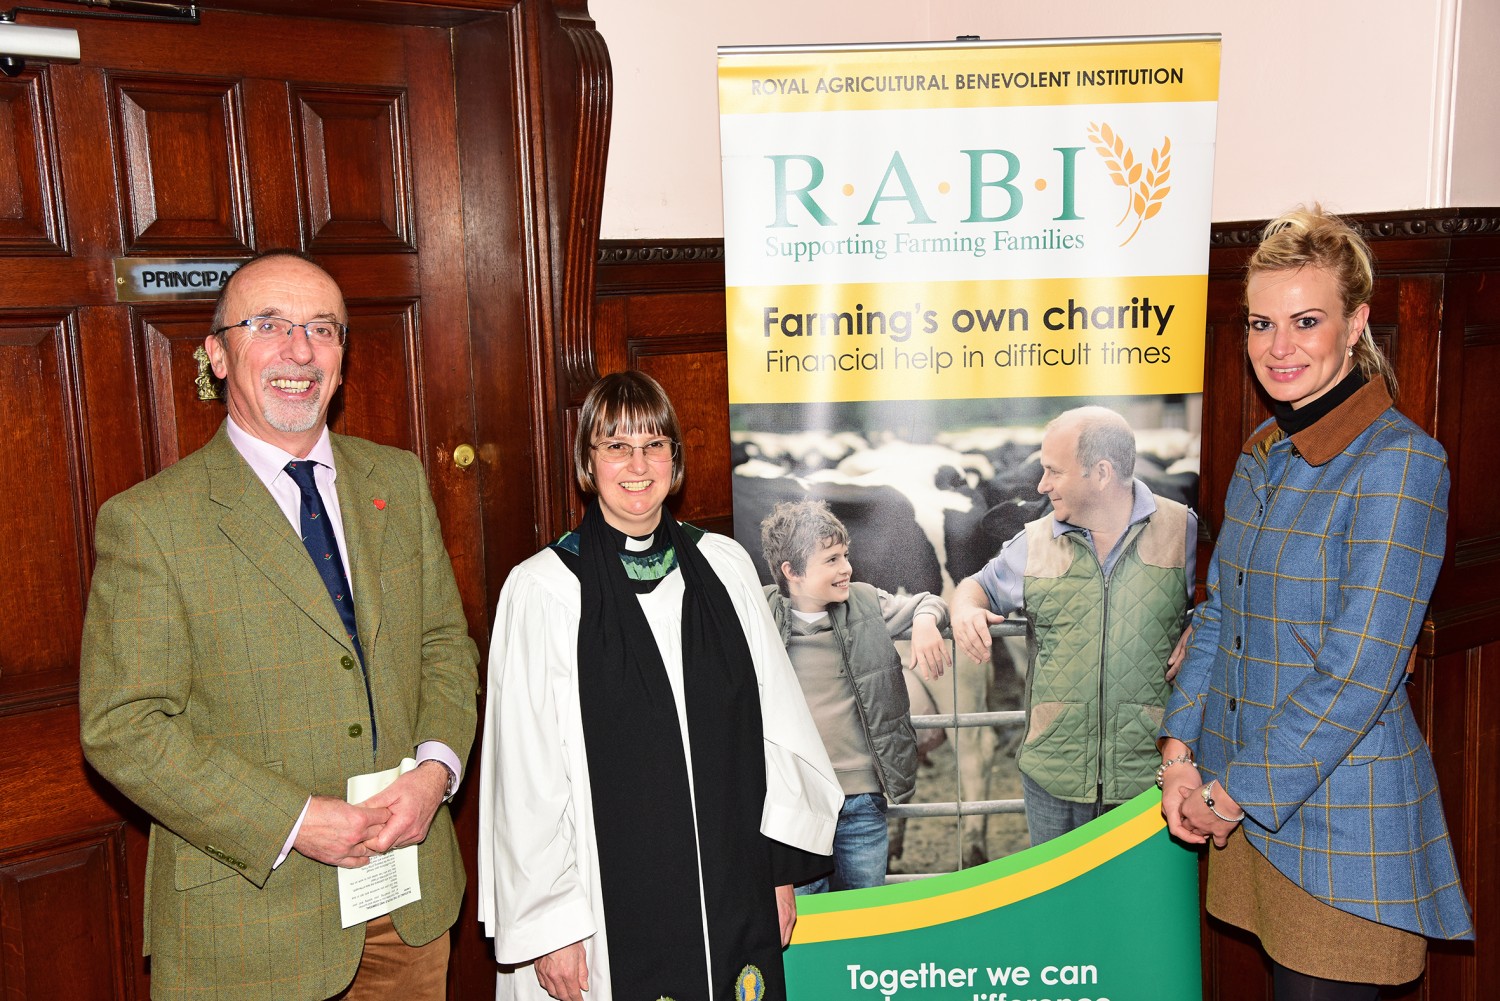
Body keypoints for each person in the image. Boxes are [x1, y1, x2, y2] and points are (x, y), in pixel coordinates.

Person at [79, 251, 480, 1000]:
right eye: (269, 325)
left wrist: (435, 773)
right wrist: (294, 819)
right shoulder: (150, 522)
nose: (299, 350)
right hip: (252, 922)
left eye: (322, 329)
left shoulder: (395, 479)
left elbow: (442, 649)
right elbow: (123, 726)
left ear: (341, 358)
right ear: (218, 354)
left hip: (408, 899)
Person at [1158, 207, 1473, 1000]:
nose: (1279, 346)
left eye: (1306, 321)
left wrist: (1229, 793)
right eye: (1262, 323)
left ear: (1357, 321)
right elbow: (1220, 613)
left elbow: (1359, 672)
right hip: (1247, 797)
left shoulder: (1402, 464)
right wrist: (1178, 755)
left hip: (1341, 826)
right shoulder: (1265, 450)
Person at [477, 371, 840, 1001]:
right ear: (587, 463)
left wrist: (776, 872)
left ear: (675, 459)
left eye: (654, 444)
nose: (637, 464)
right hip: (598, 912)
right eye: (616, 446)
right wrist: (550, 928)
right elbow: (526, 777)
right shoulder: (544, 590)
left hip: (734, 885)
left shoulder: (723, 568)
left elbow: (776, 728)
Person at [950, 405, 1196, 847]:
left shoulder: (1184, 530)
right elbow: (975, 585)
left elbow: (1230, 606)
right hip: (1053, 776)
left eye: (1052, 471)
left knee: (1133, 913)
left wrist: (1201, 624)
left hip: (1148, 779)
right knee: (1063, 912)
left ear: (1100, 473)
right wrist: (964, 608)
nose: (1042, 485)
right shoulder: (1034, 542)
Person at [759, 500, 950, 893]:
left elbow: (929, 601)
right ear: (791, 572)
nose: (846, 567)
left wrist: (926, 621)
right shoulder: (760, 614)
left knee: (865, 911)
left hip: (861, 798)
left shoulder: (865, 603)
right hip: (797, 805)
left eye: (845, 555)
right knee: (808, 921)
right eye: (830, 559)